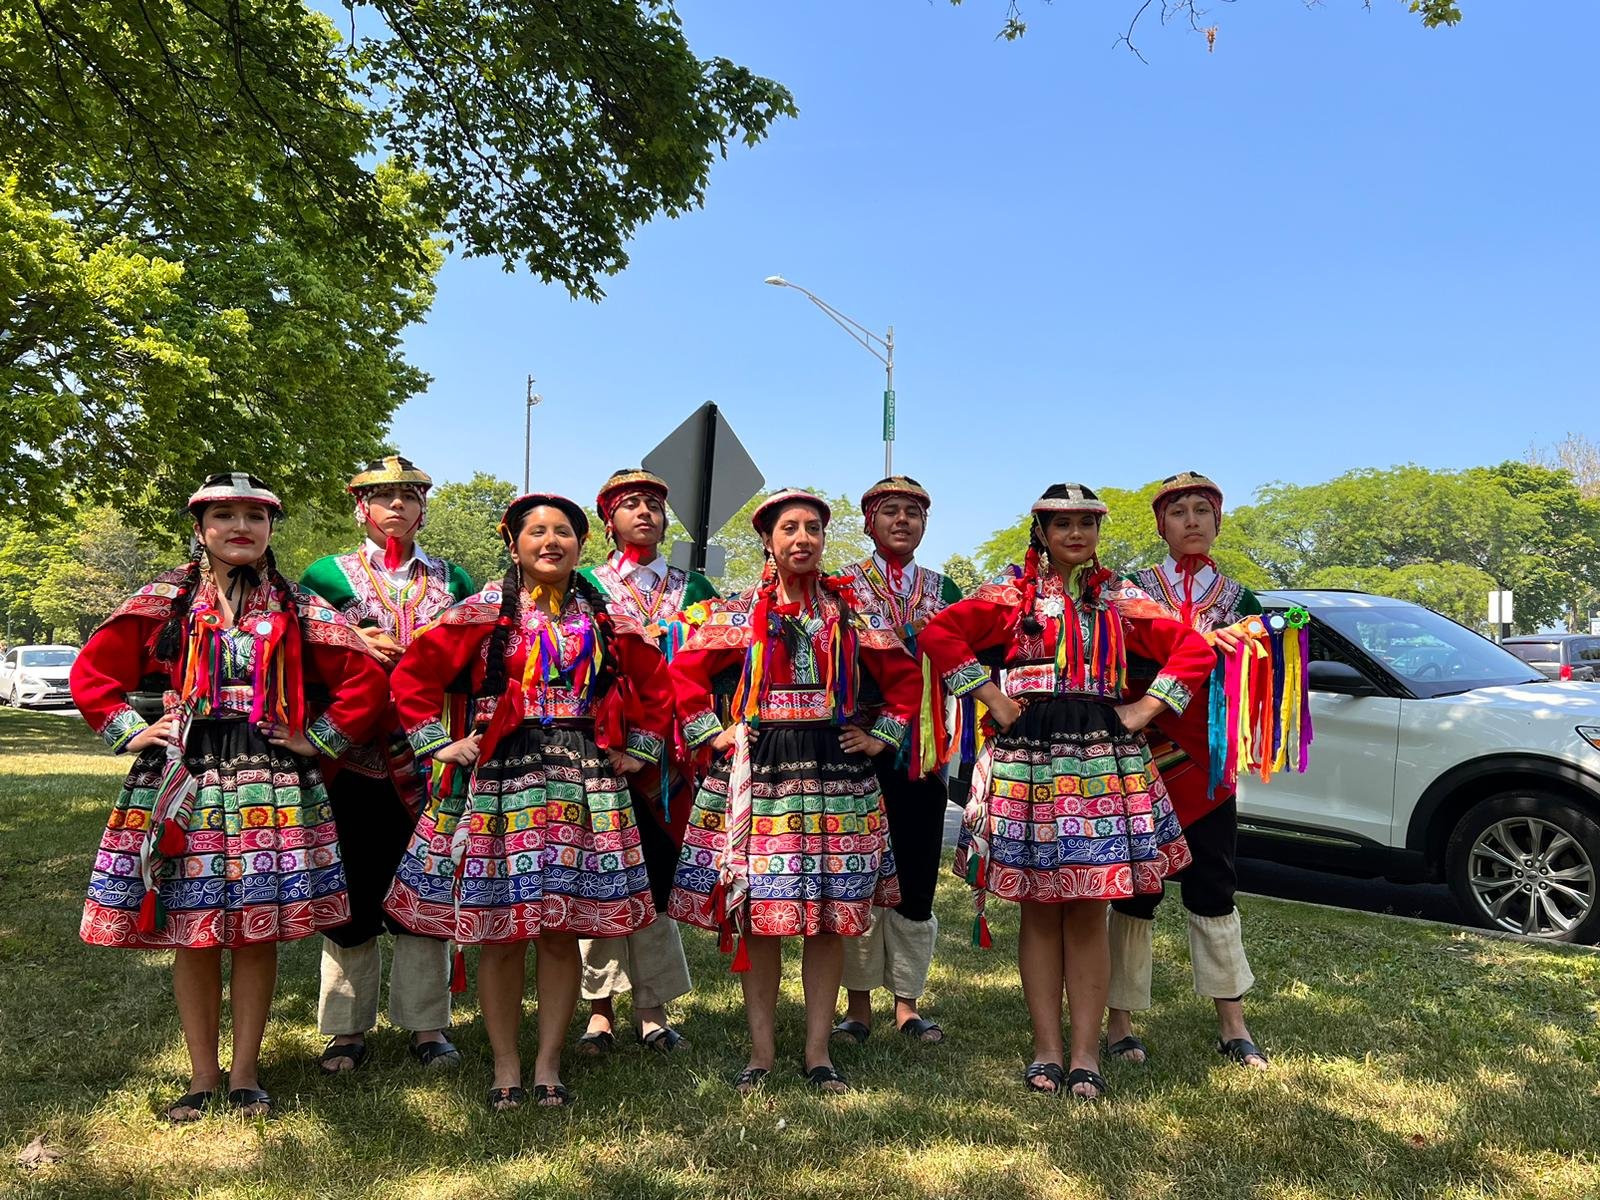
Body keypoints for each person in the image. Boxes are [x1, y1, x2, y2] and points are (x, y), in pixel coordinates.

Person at [70, 472, 389, 1121]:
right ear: (200, 528)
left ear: (271, 529)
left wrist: (317, 740)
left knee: (253, 933)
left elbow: (365, 676)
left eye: (255, 515)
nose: (240, 527)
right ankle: (201, 1075)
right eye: (225, 516)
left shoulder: (298, 608)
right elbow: (92, 670)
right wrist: (133, 729)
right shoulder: (166, 599)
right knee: (193, 931)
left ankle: (246, 1073)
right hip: (185, 776)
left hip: (268, 781)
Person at [918, 482, 1214, 1100]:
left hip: (1102, 759)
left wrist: (1144, 709)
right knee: (1039, 909)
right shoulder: (1008, 596)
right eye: (1063, 525)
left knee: (1088, 908)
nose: (1076, 534)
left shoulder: (1119, 597)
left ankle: (1085, 1055)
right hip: (1028, 756)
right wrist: (993, 696)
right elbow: (939, 634)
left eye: (1087, 523)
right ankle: (1046, 1049)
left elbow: (1191, 648)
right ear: (1042, 533)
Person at [383, 492, 672, 1111]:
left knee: (561, 929)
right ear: (512, 543)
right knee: (501, 932)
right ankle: (505, 1066)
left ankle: (548, 1064)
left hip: (583, 779)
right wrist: (440, 742)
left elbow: (655, 683)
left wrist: (641, 749)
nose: (550, 542)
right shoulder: (487, 610)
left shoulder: (604, 613)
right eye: (535, 531)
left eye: (562, 532)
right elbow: (414, 673)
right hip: (501, 779)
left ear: (581, 544)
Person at [667, 489, 924, 1095]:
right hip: (762, 774)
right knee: (757, 914)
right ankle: (761, 1053)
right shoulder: (737, 613)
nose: (802, 538)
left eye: (813, 527)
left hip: (836, 769)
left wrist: (882, 736)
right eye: (789, 528)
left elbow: (904, 680)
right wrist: (717, 733)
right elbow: (681, 677)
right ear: (768, 540)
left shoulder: (852, 612)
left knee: (828, 919)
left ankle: (817, 1053)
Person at [300, 455, 476, 1075]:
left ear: (423, 507)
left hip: (431, 757)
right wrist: (358, 644)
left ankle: (428, 1025)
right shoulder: (324, 576)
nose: (396, 506)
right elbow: (300, 656)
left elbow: (479, 654)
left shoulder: (455, 578)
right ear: (361, 508)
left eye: (408, 496)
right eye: (383, 497)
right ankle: (346, 1029)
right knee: (350, 889)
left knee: (427, 885)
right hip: (351, 757)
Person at [1106, 471, 1270, 1070]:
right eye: (1179, 512)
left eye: (1203, 510)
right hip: (1144, 756)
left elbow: (1258, 676)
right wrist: (1205, 641)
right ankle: (1119, 1020)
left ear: (1218, 521)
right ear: (1161, 525)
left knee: (1214, 885)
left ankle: (1233, 1021)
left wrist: (1243, 646)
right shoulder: (1130, 590)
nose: (1192, 521)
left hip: (1207, 762)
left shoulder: (1241, 599)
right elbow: (1119, 657)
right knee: (1136, 889)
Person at [573, 469, 718, 1056]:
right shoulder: (583, 581)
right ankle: (599, 1011)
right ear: (609, 519)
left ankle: (652, 1008)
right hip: (597, 749)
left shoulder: (695, 585)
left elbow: (716, 662)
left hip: (673, 753)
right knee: (596, 872)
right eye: (630, 504)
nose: (644, 513)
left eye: (654, 504)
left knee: (656, 873)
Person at [833, 476, 965, 1047]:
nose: (903, 520)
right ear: (869, 522)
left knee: (915, 875)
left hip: (925, 755)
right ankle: (857, 1007)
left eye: (914, 512)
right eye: (891, 511)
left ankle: (907, 1003)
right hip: (857, 752)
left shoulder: (946, 589)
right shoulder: (840, 588)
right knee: (858, 876)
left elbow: (969, 659)